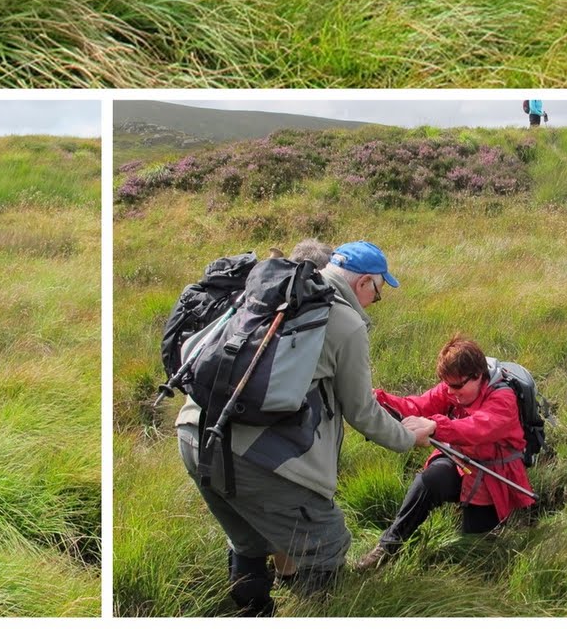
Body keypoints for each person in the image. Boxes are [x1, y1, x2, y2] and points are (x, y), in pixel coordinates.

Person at [176, 240, 436, 614]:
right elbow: (361, 411)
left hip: (194, 430)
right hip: (249, 455)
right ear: (363, 283)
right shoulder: (344, 323)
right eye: (377, 295)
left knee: (249, 542)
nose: (372, 303)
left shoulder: (278, 288)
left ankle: (255, 612)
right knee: (328, 545)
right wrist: (408, 437)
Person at [356, 333, 533, 570]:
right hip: (461, 461)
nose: (451, 393)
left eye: (458, 386)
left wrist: (437, 426)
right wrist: (379, 399)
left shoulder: (503, 398)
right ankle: (387, 548)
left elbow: (479, 427)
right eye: (448, 386)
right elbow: (418, 405)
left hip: (492, 475)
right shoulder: (454, 385)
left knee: (475, 551)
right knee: (428, 482)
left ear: (478, 376)